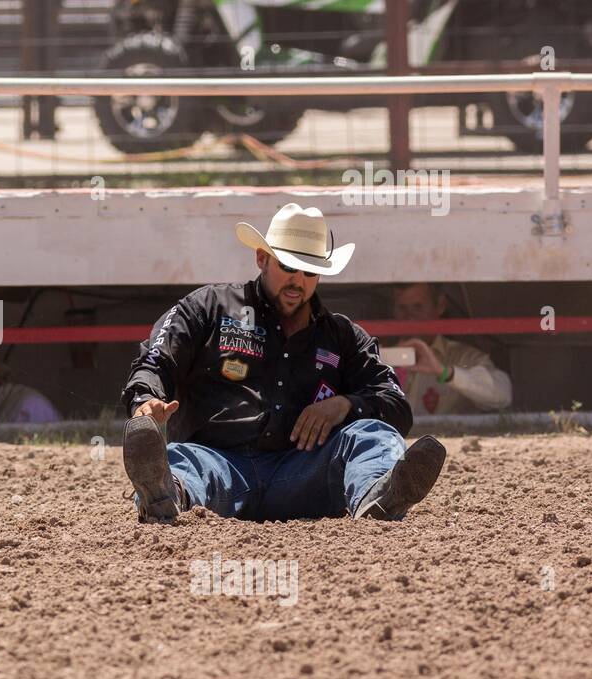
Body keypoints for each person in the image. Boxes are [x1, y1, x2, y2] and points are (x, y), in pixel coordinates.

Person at [120, 202, 446, 524]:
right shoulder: (207, 308)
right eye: (289, 267)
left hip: (304, 474)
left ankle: (377, 497)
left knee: (370, 434)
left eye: (310, 271)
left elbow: (396, 406)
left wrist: (346, 405)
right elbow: (155, 357)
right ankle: (164, 495)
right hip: (217, 463)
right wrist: (146, 399)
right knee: (185, 463)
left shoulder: (344, 336)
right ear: (262, 258)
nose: (298, 281)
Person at [391, 282, 512, 415]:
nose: (409, 318)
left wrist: (444, 372)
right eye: (402, 308)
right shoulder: (380, 356)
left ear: (440, 305)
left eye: (418, 307)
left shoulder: (464, 357)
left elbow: (503, 395)